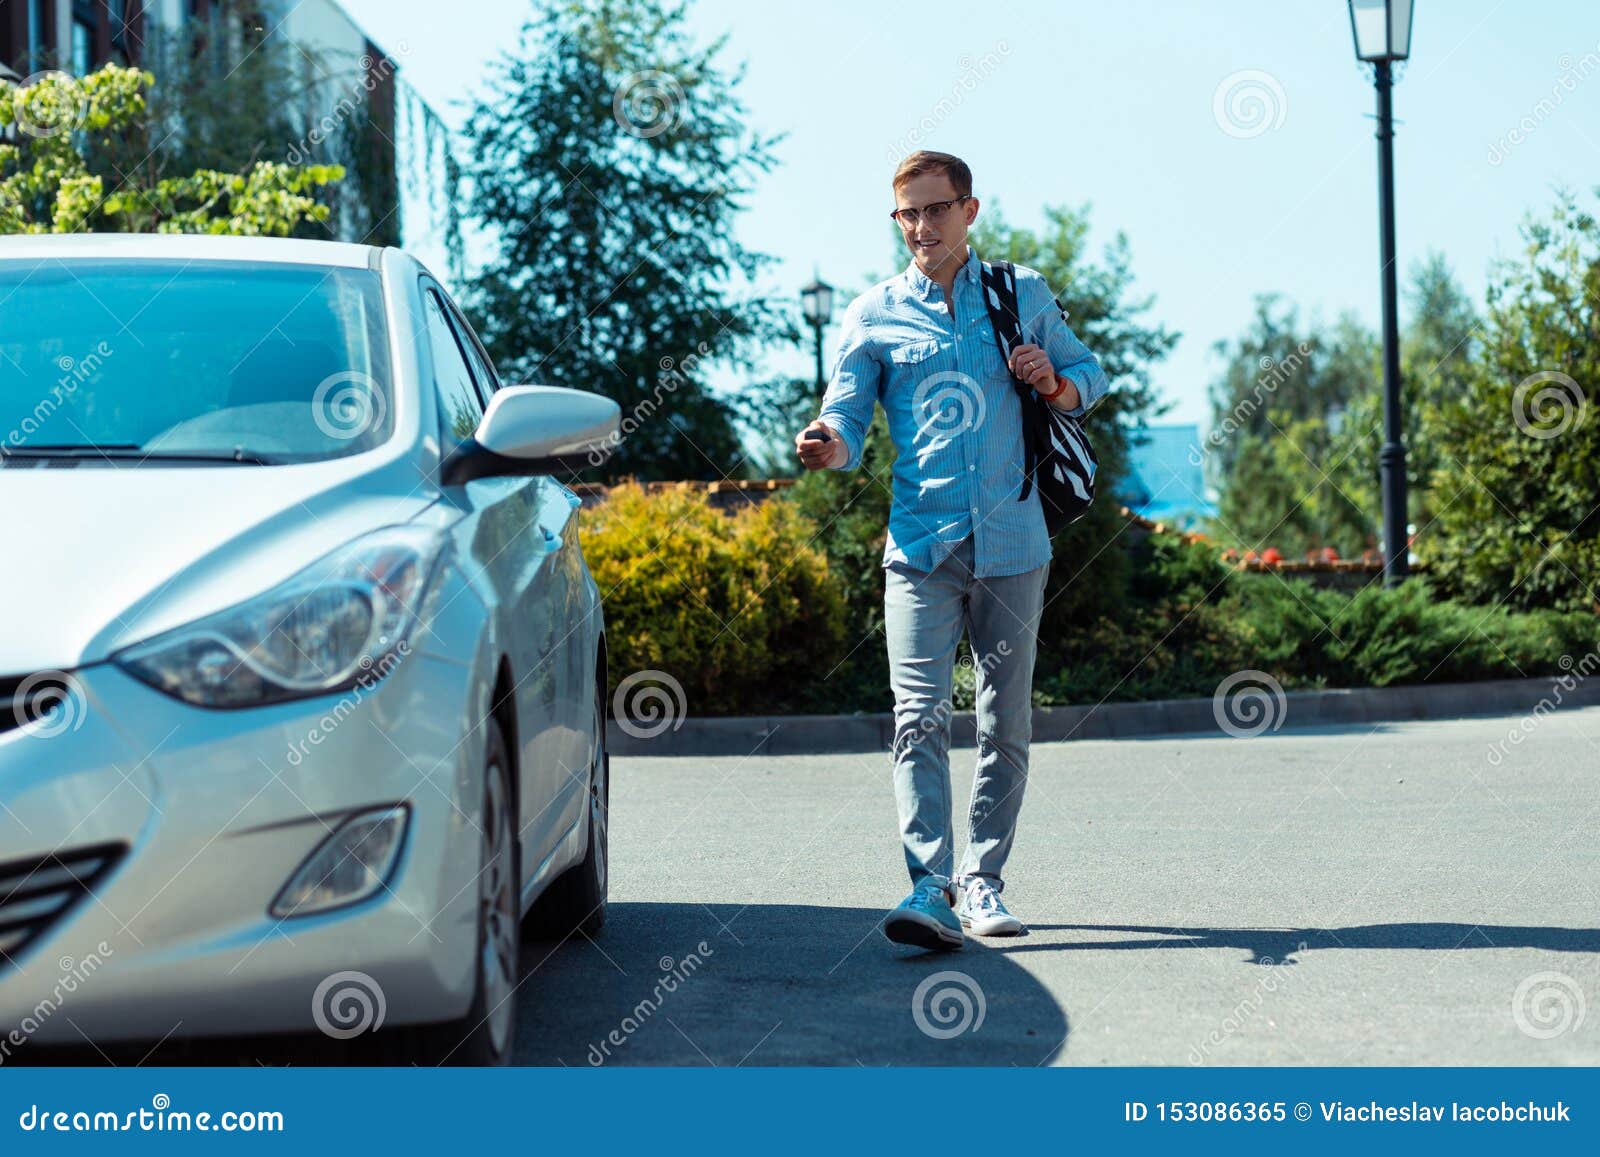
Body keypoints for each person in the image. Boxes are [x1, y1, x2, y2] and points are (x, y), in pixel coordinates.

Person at [795, 150, 1109, 951]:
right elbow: (848, 416)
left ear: (970, 211)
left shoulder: (1019, 294)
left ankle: (984, 878)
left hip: (1013, 539)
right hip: (921, 542)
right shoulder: (873, 315)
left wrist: (1051, 382)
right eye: (909, 213)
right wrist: (829, 443)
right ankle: (930, 886)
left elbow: (1088, 375)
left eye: (936, 210)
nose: (922, 227)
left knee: (1005, 718)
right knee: (916, 716)